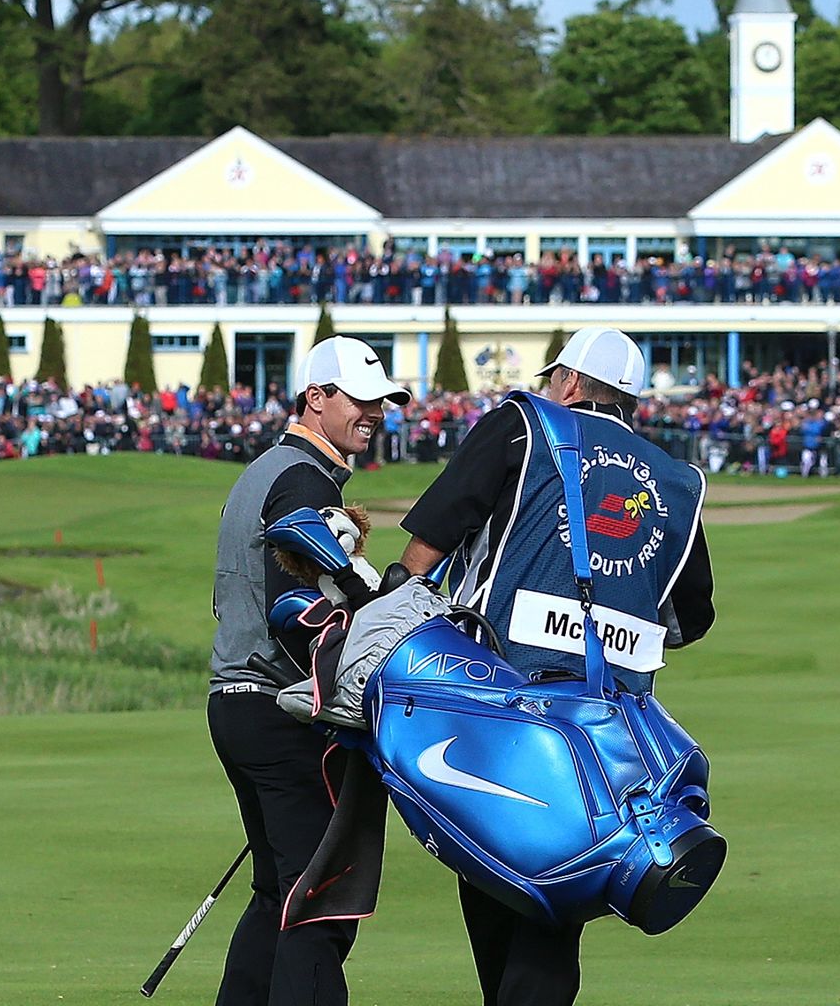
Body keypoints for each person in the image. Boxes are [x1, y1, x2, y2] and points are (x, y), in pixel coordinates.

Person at [393, 326, 716, 1006]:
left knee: (496, 875)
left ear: (568, 383)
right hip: (607, 730)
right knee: (557, 906)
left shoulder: (525, 421)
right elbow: (690, 619)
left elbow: (434, 536)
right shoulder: (677, 479)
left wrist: (397, 588)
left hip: (495, 700)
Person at [205, 335, 410, 1006]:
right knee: (319, 906)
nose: (374, 414)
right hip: (280, 708)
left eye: (381, 403)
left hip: (236, 704)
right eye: (360, 400)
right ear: (316, 398)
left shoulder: (269, 469)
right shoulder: (301, 479)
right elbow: (295, 611)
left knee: (278, 894)